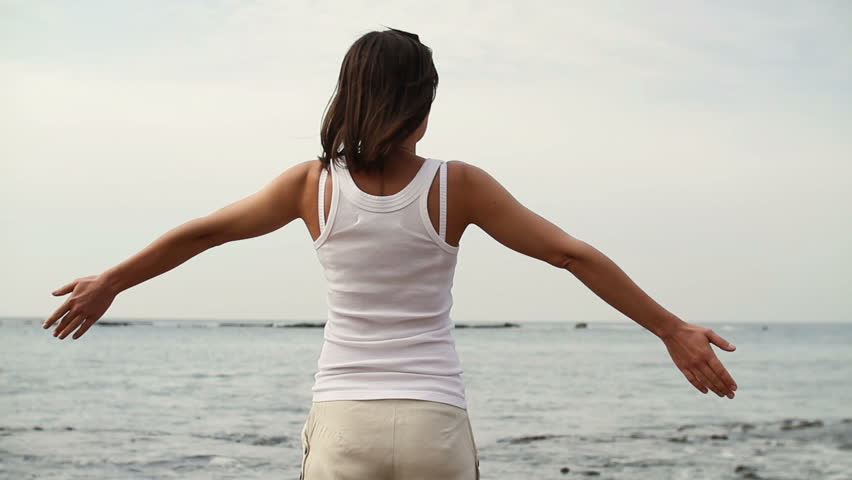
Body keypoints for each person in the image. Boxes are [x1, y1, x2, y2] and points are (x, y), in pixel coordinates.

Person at [42, 27, 738, 480]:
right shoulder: (456, 186)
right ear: (424, 108)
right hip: (434, 421)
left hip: (346, 423)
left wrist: (114, 281)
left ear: (349, 98)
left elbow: (204, 233)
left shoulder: (309, 186)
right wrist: (670, 328)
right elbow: (571, 256)